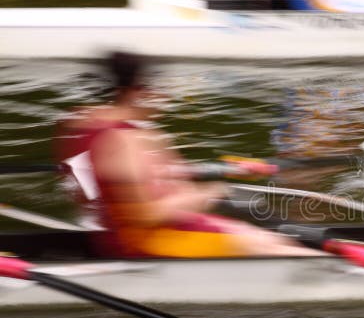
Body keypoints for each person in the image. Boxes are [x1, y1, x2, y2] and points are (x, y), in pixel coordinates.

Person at [56, 52, 318, 258]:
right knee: (274, 248)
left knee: (264, 237)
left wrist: (220, 172)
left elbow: (131, 181)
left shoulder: (82, 123)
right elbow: (147, 214)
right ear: (137, 93)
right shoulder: (123, 141)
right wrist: (209, 192)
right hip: (147, 242)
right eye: (157, 92)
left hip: (126, 233)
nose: (163, 98)